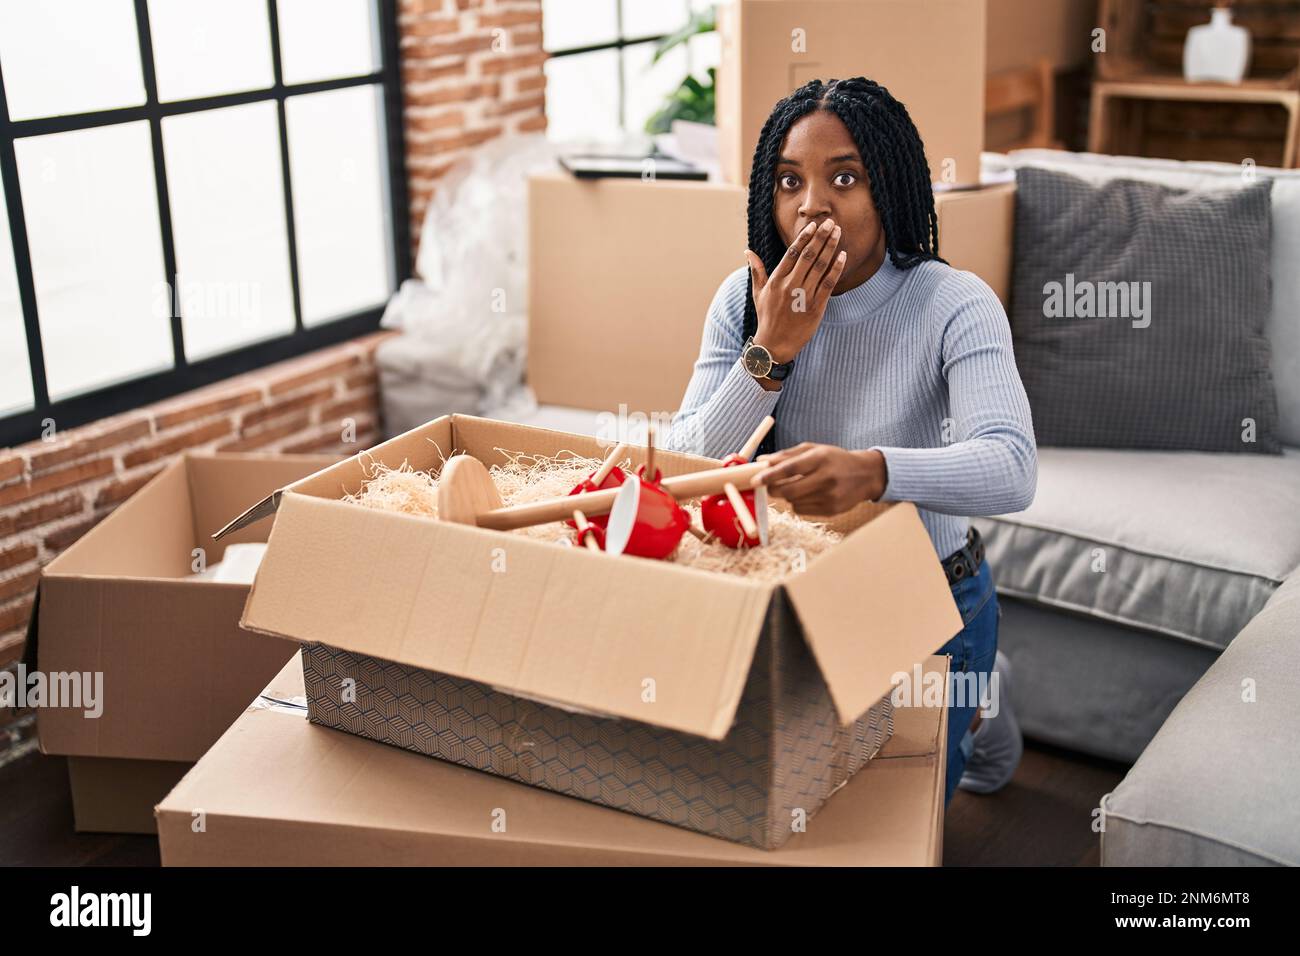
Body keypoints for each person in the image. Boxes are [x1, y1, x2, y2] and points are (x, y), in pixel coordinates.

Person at [664, 77, 1036, 804]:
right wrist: (772, 352)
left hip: (932, 595)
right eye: (789, 181)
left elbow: (1013, 468)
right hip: (804, 593)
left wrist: (873, 472)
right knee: (814, 800)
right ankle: (984, 699)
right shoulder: (744, 302)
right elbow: (686, 462)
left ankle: (983, 704)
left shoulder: (955, 304)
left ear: (888, 189)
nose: (812, 205)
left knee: (905, 809)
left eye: (845, 178)